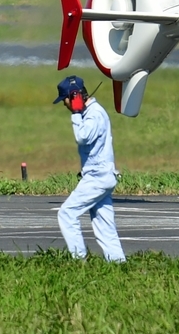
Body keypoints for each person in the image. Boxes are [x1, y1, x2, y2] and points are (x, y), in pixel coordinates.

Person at [54, 75, 125, 262]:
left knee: (67, 214)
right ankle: (119, 264)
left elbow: (83, 137)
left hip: (98, 178)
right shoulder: (92, 113)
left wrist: (76, 113)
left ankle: (79, 261)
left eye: (65, 100)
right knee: (104, 225)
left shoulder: (94, 114)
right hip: (100, 176)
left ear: (75, 97)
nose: (64, 105)